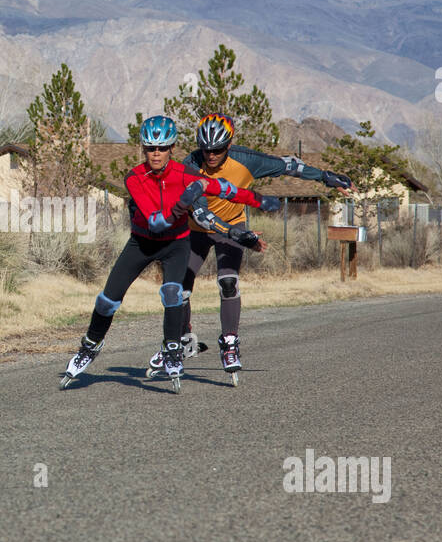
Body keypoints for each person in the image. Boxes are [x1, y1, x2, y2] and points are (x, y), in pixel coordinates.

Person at [61, 115, 266, 390]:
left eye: (161, 148)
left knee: (173, 294)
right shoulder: (134, 177)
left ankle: (172, 350)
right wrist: (181, 206)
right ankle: (90, 345)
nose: (155, 154)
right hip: (142, 242)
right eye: (150, 148)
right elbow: (156, 220)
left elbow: (225, 190)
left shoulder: (186, 174)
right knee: (107, 301)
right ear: (143, 149)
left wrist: (260, 201)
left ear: (171, 148)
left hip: (176, 244)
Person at [146, 112, 353, 379]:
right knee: (178, 289)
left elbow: (290, 165)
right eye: (206, 149)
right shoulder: (191, 164)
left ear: (229, 146)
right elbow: (200, 214)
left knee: (228, 282)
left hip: (233, 224)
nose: (210, 156)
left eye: (217, 150)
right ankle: (182, 339)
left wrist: (326, 177)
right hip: (198, 229)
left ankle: (230, 342)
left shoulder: (246, 161)